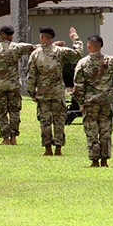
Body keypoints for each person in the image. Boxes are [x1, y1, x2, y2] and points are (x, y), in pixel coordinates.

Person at [73, 34, 113, 167]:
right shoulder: (110, 61)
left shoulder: (82, 64)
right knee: (106, 131)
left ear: (89, 46)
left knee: (92, 132)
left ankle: (95, 160)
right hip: (106, 102)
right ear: (101, 47)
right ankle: (105, 160)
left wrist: (80, 103)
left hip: (90, 103)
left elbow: (78, 87)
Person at [26, 26, 84, 156]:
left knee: (45, 121)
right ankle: (58, 148)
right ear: (51, 38)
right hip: (57, 92)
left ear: (41, 37)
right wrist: (75, 38)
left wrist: (32, 92)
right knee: (59, 120)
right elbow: (78, 53)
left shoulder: (35, 54)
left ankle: (47, 149)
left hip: (42, 93)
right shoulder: (60, 51)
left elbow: (31, 75)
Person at [0, 25, 35, 145]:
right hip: (13, 85)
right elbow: (34, 48)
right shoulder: (16, 47)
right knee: (14, 111)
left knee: (1, 112)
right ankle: (14, 138)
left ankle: (5, 138)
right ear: (9, 35)